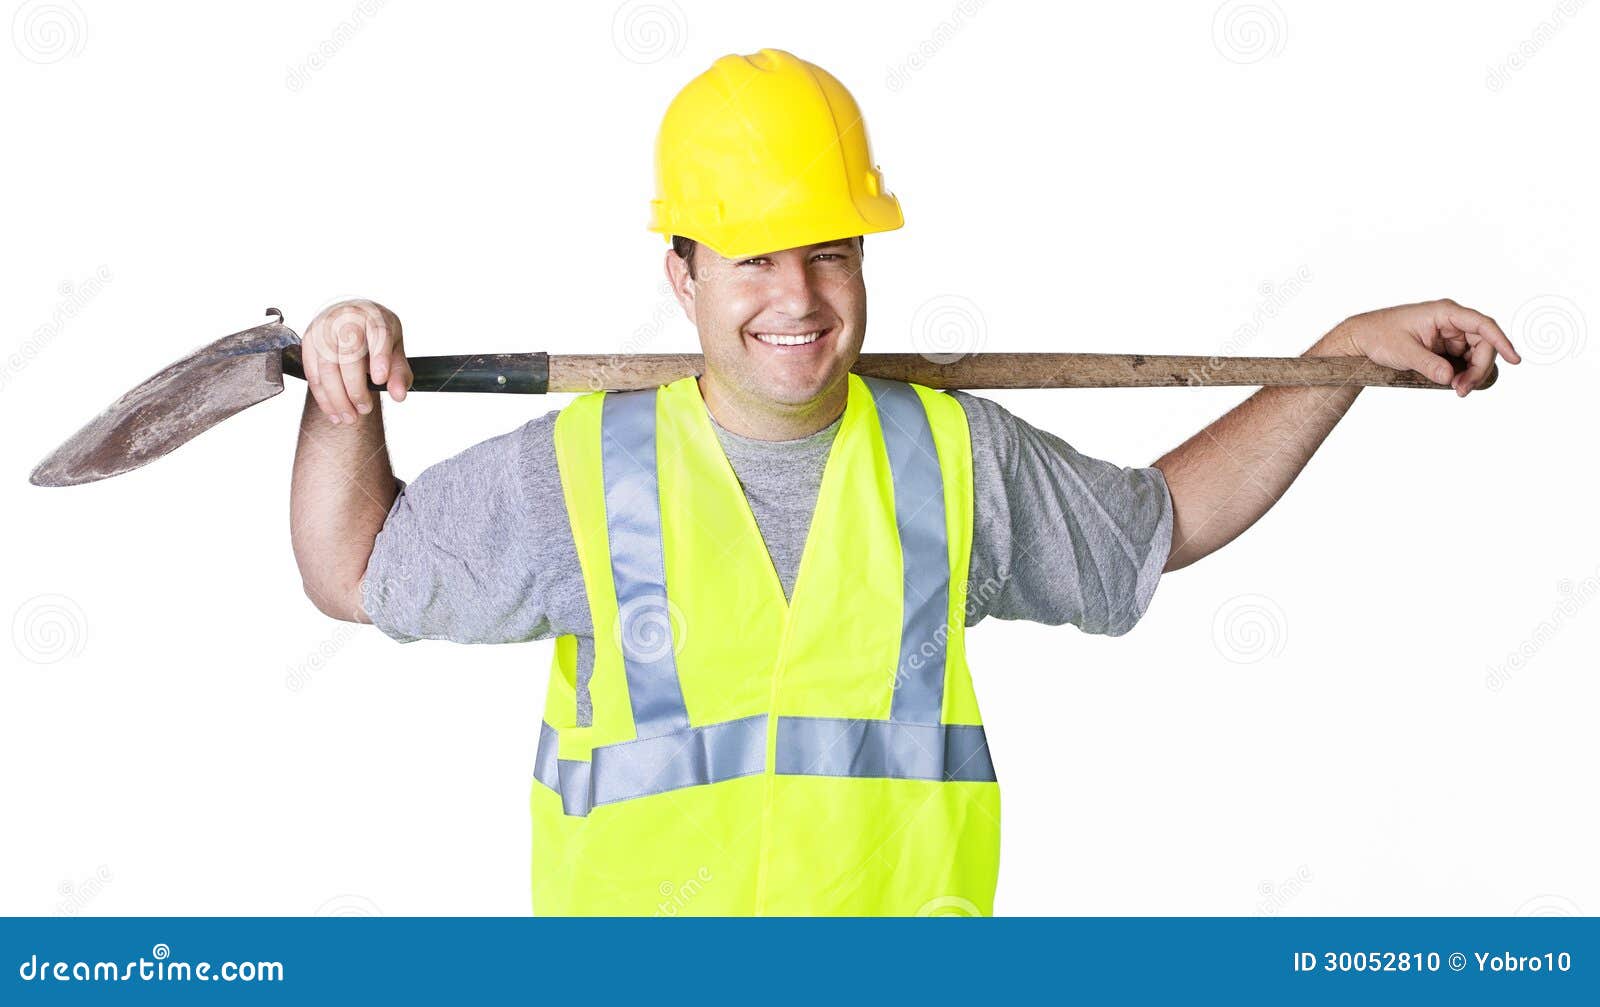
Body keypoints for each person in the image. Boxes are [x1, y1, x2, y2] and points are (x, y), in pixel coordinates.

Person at [288, 48, 1519, 915]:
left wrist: (1335, 359)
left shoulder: (950, 455)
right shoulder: (581, 471)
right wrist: (339, 394)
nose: (798, 299)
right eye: (754, 258)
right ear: (683, 276)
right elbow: (349, 568)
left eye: (829, 253)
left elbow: (1166, 523)